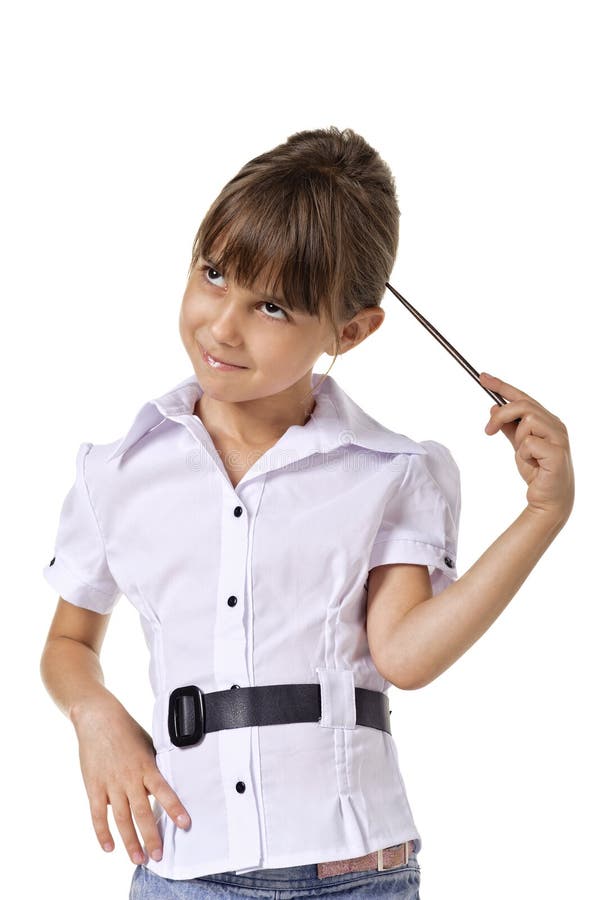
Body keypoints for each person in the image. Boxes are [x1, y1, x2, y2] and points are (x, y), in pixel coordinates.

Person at [40, 126, 574, 900]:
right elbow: (67, 641)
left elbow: (405, 657)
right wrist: (94, 715)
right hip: (183, 870)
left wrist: (541, 513)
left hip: (353, 877)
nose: (223, 325)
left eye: (272, 307)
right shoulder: (116, 471)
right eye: (213, 273)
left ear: (350, 330)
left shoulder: (391, 471)